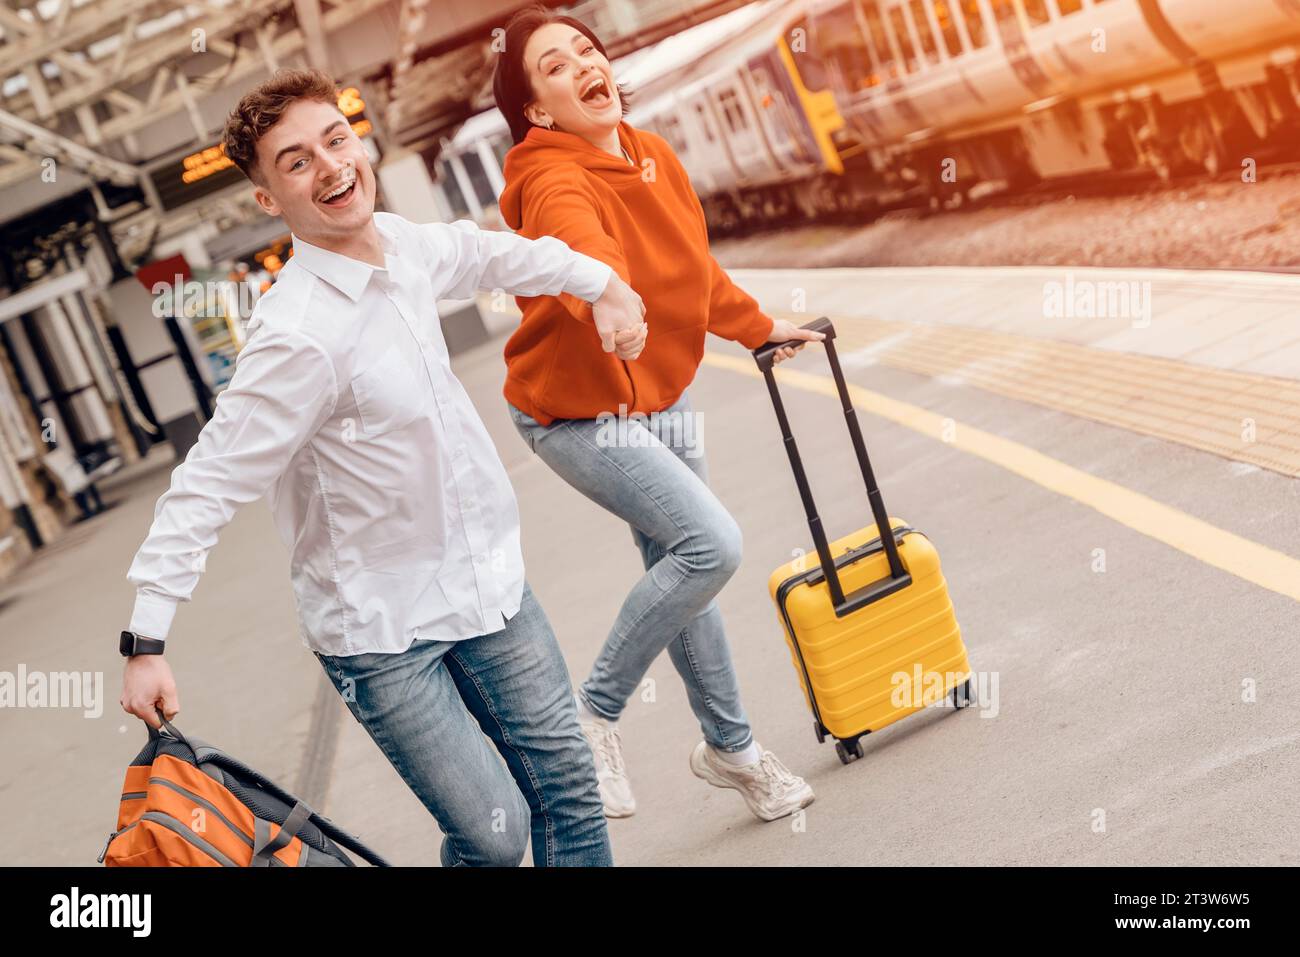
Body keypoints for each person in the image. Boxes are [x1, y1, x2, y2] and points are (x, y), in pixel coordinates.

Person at [118, 68, 648, 867]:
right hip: (382, 631)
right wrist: (146, 636)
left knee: (569, 788)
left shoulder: (404, 247)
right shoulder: (294, 337)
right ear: (268, 199)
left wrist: (600, 281)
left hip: (487, 584)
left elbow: (491, 254)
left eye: (336, 140)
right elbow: (211, 479)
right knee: (497, 835)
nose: (331, 166)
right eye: (296, 162)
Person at [491, 6, 822, 823]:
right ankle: (593, 712)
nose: (582, 64)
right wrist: (601, 291)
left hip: (660, 399)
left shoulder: (652, 154)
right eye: (556, 67)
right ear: (537, 111)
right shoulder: (548, 176)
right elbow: (578, 243)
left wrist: (757, 326)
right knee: (710, 546)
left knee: (685, 579)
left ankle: (734, 751)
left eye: (584, 49)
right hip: (572, 413)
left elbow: (693, 270)